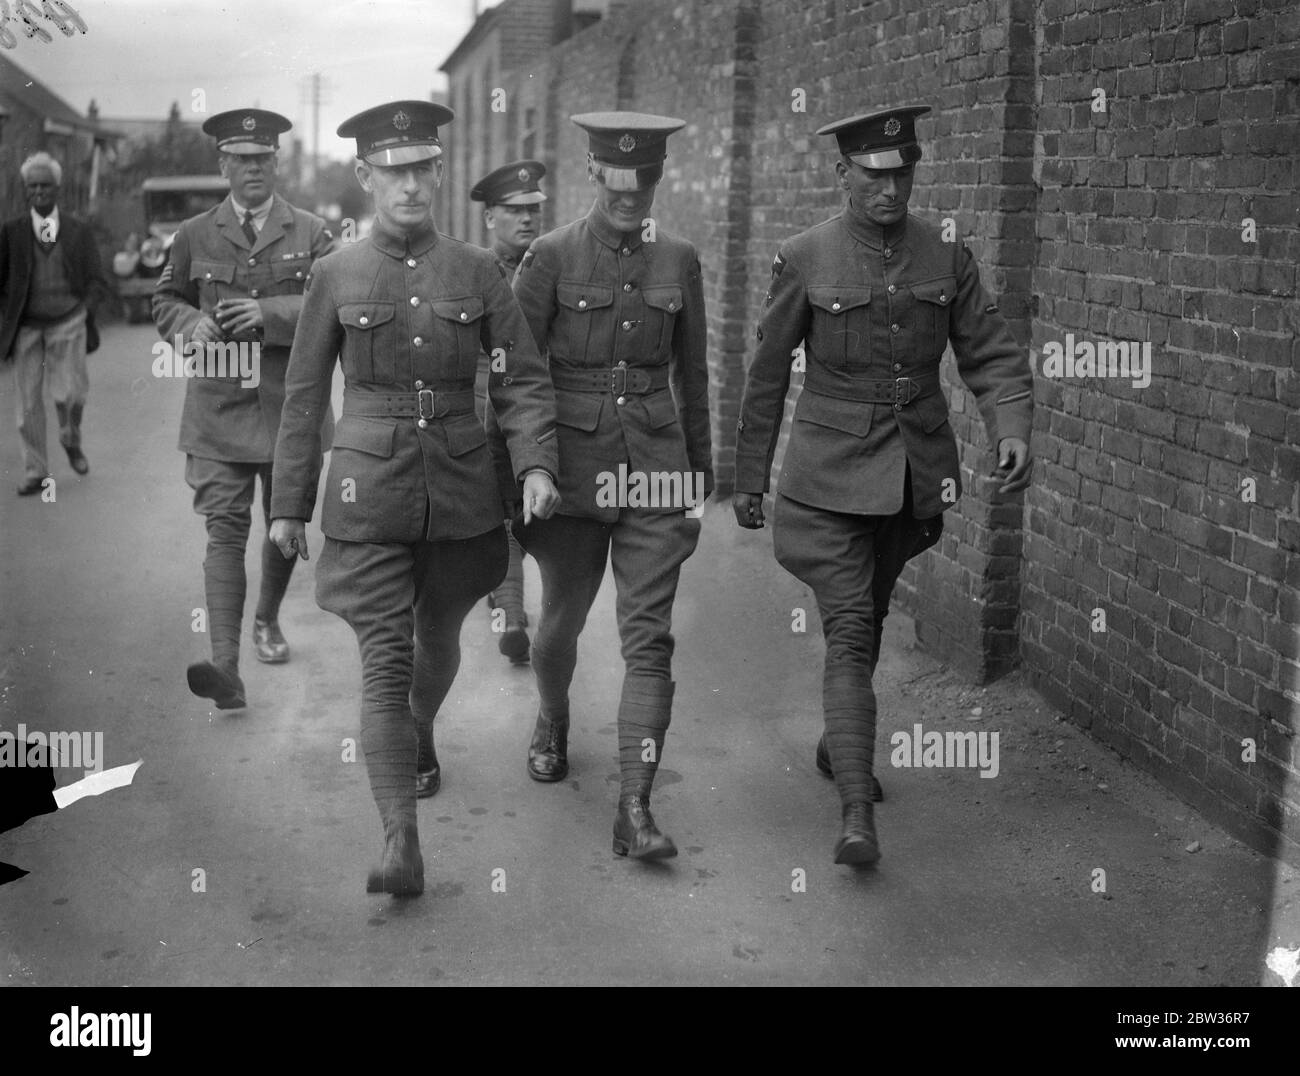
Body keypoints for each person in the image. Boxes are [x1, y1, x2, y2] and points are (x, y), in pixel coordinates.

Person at [268, 100, 559, 896]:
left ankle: (419, 726)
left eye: (421, 170)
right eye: (392, 172)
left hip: (461, 492)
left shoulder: (477, 270)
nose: (409, 186)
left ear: (437, 173)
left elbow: (522, 379)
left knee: (437, 642)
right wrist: (288, 504)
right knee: (383, 658)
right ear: (366, 177)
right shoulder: (335, 274)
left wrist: (535, 464)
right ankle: (400, 838)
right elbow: (303, 398)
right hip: (367, 495)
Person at [732, 106, 1033, 866]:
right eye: (873, 175)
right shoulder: (806, 257)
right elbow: (767, 376)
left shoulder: (946, 255)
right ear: (844, 175)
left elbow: (990, 353)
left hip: (911, 481)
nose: (890, 189)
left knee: (865, 615)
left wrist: (1011, 426)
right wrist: (749, 478)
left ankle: (839, 741)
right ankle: (856, 813)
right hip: (826, 483)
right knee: (850, 629)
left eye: (902, 174)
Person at [510, 111, 712, 860]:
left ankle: (635, 804)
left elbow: (693, 374)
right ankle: (553, 714)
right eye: (618, 182)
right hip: (569, 467)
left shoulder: (680, 259)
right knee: (559, 623)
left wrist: (698, 476)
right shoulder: (550, 256)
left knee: (650, 637)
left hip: (655, 466)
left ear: (658, 177)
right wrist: (525, 465)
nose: (630, 197)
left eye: (644, 182)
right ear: (595, 172)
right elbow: (516, 372)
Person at [153, 109, 336, 710]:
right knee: (225, 529)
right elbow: (166, 298)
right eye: (241, 158)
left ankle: (267, 618)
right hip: (219, 408)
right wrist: (190, 325)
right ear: (223, 165)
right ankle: (226, 665)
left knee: (285, 525)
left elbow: (338, 303)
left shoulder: (312, 233)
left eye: (263, 158)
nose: (253, 168)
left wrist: (271, 313)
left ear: (276, 163)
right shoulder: (192, 235)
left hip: (290, 407)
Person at [470, 159, 547, 665]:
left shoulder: (551, 266)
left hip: (537, 399)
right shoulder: (473, 269)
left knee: (528, 508)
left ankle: (509, 602)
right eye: (513, 210)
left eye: (532, 209)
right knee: (499, 508)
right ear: (489, 217)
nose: (526, 219)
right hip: (484, 398)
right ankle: (512, 614)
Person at [1, 152, 107, 495]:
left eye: (45, 185)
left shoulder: (78, 230)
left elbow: (97, 279)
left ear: (57, 188)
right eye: (32, 186)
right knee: (28, 403)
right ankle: (35, 471)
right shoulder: (12, 232)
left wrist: (85, 310)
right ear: (25, 190)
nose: (39, 191)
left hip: (69, 321)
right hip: (27, 326)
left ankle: (70, 439)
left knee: (71, 394)